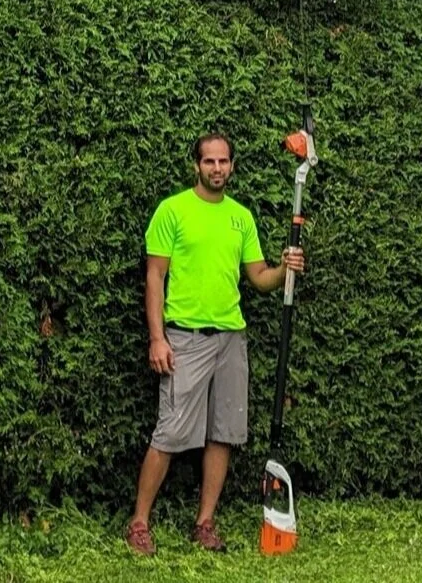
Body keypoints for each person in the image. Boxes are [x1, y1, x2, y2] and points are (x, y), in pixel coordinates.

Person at [125, 132, 306, 556]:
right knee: (168, 434)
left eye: (224, 162)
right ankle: (138, 523)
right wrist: (157, 338)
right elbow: (155, 277)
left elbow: (259, 278)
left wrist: (285, 268)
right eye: (209, 162)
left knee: (223, 435)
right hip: (184, 338)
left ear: (232, 167)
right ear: (196, 166)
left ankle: (204, 523)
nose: (217, 169)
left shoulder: (241, 218)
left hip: (230, 340)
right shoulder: (172, 211)